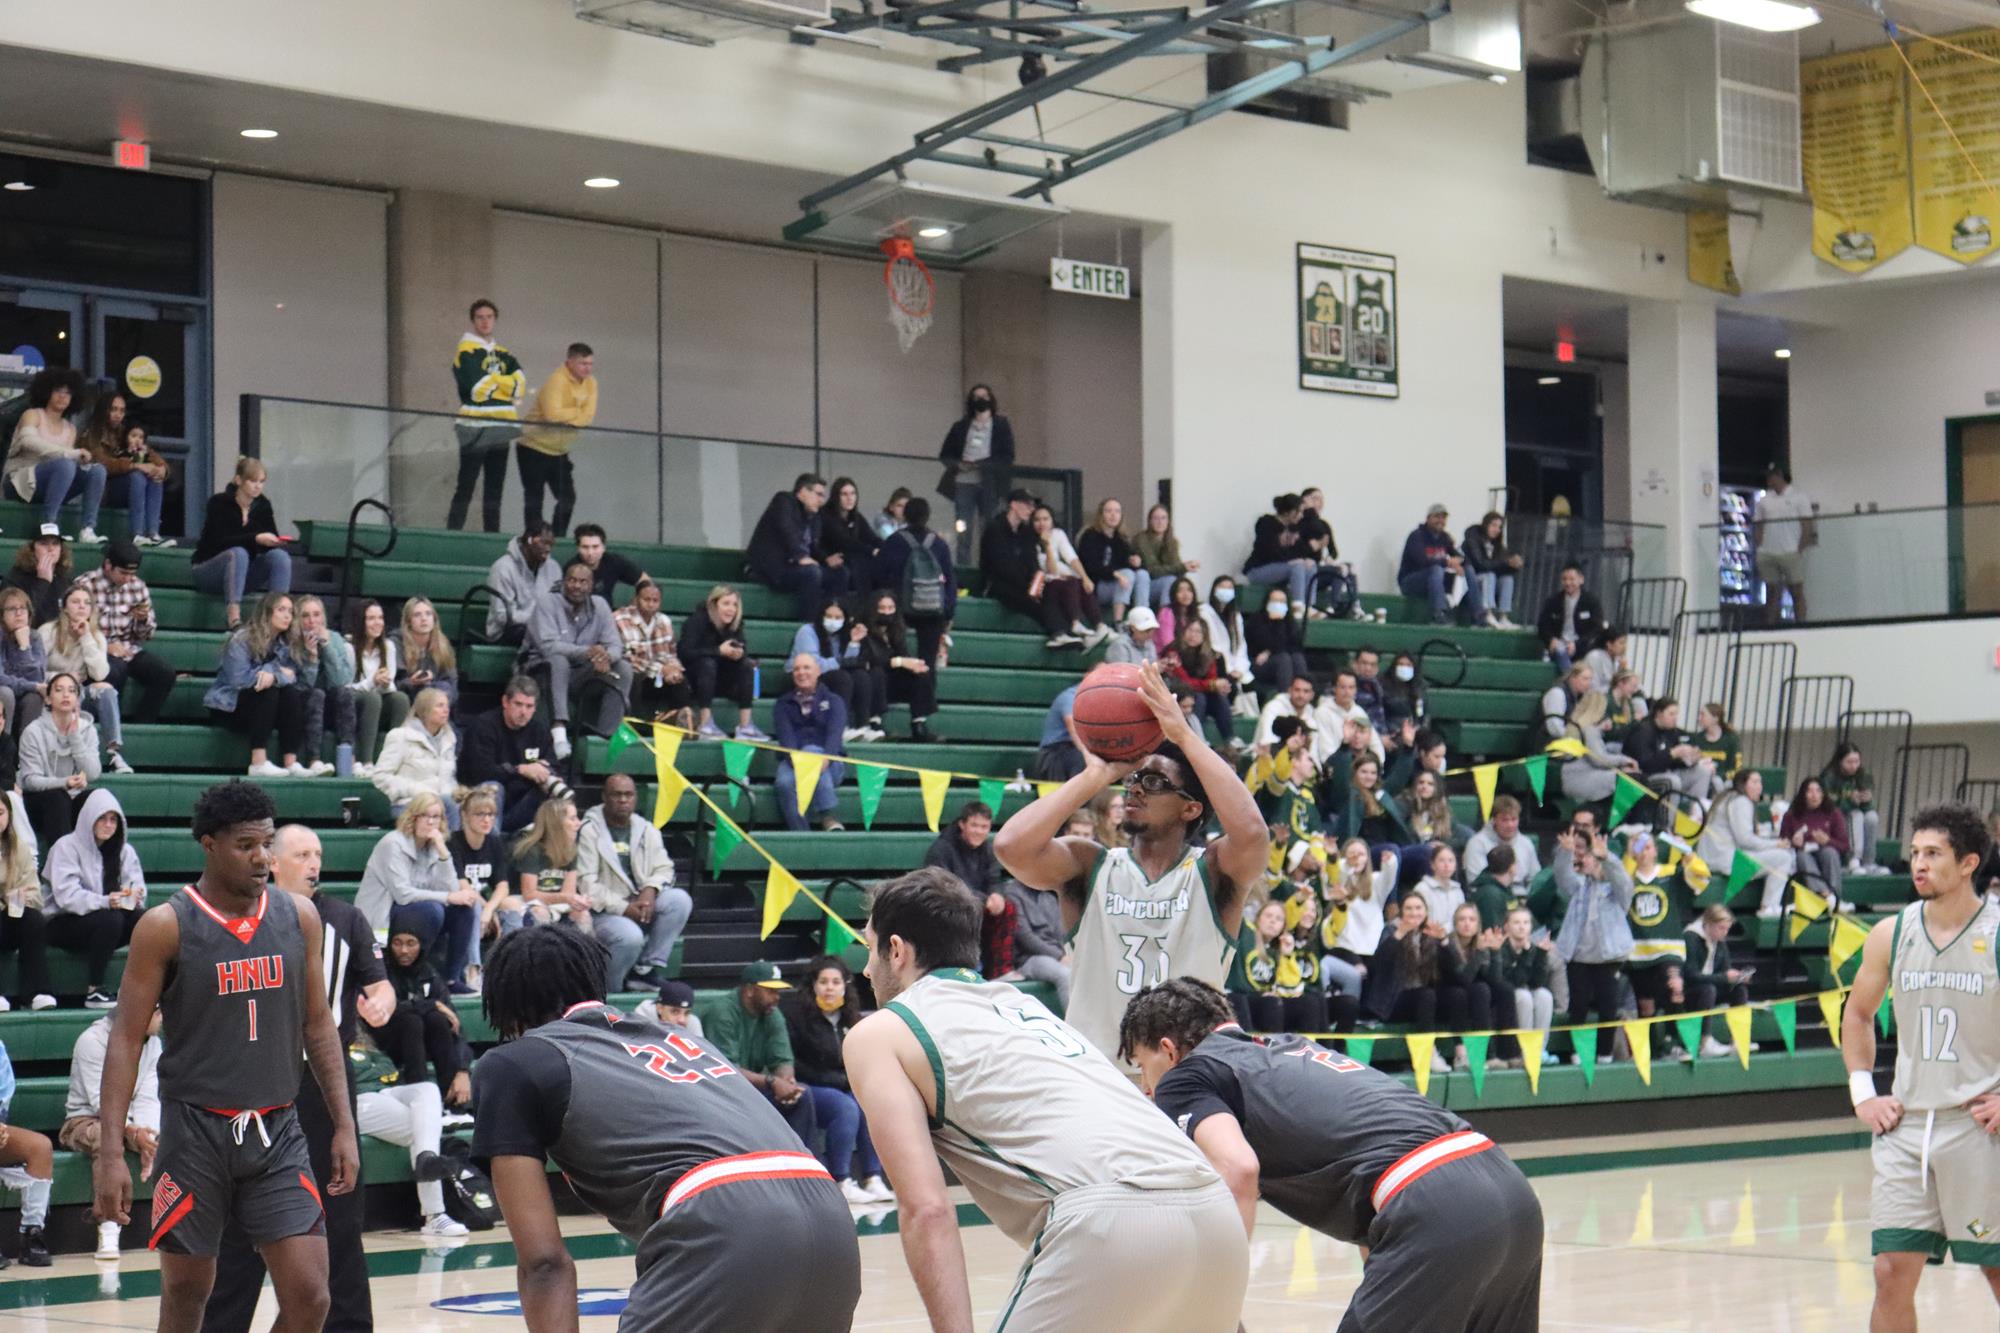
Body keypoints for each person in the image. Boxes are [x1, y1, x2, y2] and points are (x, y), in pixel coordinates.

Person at [846, 868, 1248, 1331]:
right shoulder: (1027, 1007)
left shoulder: (881, 1032)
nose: (865, 968)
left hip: (1112, 1218)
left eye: (868, 947)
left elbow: (928, 1209)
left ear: (896, 950)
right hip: (1213, 1210)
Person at [473, 928, 860, 1333]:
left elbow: (544, 1264)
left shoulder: (515, 1062)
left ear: (506, 1006)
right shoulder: (685, 1040)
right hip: (830, 1217)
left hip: (727, 1220)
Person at [1126, 976, 1542, 1325]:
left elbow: (1237, 1171)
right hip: (1507, 1186)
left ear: (1169, 1050)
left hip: (1431, 1202)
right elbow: (1374, 1159)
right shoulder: (1291, 1048)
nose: (1146, 1088)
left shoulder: (1185, 1077)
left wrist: (1216, 1304)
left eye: (1141, 1066)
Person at [94, 780, 356, 1329]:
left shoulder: (299, 917)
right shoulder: (165, 926)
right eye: (246, 845)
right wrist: (110, 1154)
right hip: (195, 1134)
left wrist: (343, 1124)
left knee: (312, 1296)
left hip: (277, 1130)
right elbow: (125, 1038)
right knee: (188, 1296)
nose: (262, 857)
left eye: (267, 843)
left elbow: (318, 1025)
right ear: (209, 844)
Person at [198, 822, 416, 1328]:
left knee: (340, 1218)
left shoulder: (346, 918)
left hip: (322, 1087)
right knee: (241, 1227)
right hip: (251, 1086)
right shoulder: (240, 919)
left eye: (318, 853)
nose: (314, 862)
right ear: (273, 861)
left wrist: (382, 1000)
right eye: (301, 854)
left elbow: (380, 985)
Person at [995, 661, 1267, 1066]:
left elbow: (1253, 834)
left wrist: (1185, 736)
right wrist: (1095, 776)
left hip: (1185, 1076)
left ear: (1191, 809)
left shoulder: (1212, 871)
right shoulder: (1090, 865)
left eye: (1154, 783)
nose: (1136, 789)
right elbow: (1010, 846)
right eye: (1134, 781)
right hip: (1099, 1074)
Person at [1842, 803, 2000, 1325]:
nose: (1919, 864)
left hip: (1978, 1127)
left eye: (1934, 853)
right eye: (1914, 853)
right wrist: (1863, 1092)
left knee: (1997, 1272)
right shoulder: (1892, 933)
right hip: (1908, 1127)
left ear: (1969, 863)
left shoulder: (1996, 932)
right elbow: (1858, 1014)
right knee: (1889, 1270)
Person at [780, 955, 892, 1206]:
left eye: (835, 982)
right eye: (823, 982)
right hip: (810, 1086)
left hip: (843, 1085)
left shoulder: (851, 1017)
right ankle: (841, 1180)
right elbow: (793, 1062)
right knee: (846, 1107)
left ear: (845, 985)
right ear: (813, 986)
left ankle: (873, 1177)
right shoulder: (795, 1015)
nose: (829, 987)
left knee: (870, 1102)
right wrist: (839, 1079)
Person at [576, 773, 693, 992]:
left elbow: (665, 868)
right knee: (630, 936)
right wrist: (624, 907)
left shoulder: (646, 829)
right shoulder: (589, 831)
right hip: (602, 913)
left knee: (679, 900)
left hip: (640, 905)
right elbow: (587, 884)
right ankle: (610, 990)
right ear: (604, 797)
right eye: (616, 795)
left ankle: (644, 970)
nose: (623, 800)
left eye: (628, 795)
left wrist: (650, 889)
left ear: (635, 798)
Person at [63, 1006, 162, 1258]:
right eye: (157, 1012)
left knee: (170, 1136)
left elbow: (149, 1097)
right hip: (83, 1120)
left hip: (128, 1122)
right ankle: (108, 1225)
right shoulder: (91, 1041)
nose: (162, 1018)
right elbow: (102, 1101)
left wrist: (147, 1136)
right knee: (106, 1138)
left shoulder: (154, 1045)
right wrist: (132, 1132)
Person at [356, 793, 479, 994]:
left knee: (463, 909)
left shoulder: (432, 846)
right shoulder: (393, 843)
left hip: (417, 911)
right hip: (383, 914)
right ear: (413, 817)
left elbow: (451, 889)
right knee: (434, 910)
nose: (430, 822)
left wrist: (442, 852)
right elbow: (402, 894)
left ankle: (450, 979)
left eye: (436, 817)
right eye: (425, 815)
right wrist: (448, 897)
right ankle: (416, 977)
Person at [700, 961, 819, 1146]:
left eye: (777, 991)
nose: (777, 997)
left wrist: (786, 1083)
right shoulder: (723, 1012)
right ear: (749, 990)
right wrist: (772, 1082)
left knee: (802, 1096)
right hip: (721, 1092)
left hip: (754, 1089)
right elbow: (726, 1070)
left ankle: (804, 1165)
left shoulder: (772, 1013)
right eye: (770, 991)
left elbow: (782, 1059)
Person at [524, 557, 631, 758]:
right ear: (564, 582)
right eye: (572, 580)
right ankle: (559, 732)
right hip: (541, 671)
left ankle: (605, 736)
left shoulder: (600, 605)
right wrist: (588, 652)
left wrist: (606, 657)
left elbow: (616, 645)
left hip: (582, 672)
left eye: (583, 582)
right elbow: (548, 646)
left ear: (591, 585)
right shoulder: (547, 602)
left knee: (623, 668)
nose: (577, 586)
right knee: (558, 660)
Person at [207, 589, 314, 778]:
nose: (287, 615)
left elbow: (295, 678)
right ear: (267, 611)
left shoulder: (284, 643)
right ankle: (258, 762)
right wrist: (274, 676)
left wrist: (273, 675)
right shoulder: (241, 639)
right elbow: (238, 681)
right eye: (281, 609)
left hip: (260, 708)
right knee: (268, 691)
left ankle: (291, 762)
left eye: (290, 611)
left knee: (290, 693)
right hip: (228, 706)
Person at [74, 538, 176, 725]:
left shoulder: (138, 587)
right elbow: (73, 628)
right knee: (115, 670)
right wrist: (105, 646)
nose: (128, 578)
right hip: (95, 650)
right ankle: (111, 726)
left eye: (132, 573)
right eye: (123, 573)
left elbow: (147, 635)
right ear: (108, 565)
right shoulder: (84, 586)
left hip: (129, 648)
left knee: (165, 673)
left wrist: (142, 620)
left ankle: (142, 725)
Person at [1553, 827, 1633, 1058]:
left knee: (1608, 1008)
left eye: (1590, 857)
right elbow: (1562, 876)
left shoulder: (1616, 892)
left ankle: (1605, 1054)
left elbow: (1623, 881)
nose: (1585, 860)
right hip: (1578, 957)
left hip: (1607, 957)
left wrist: (1607, 857)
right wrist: (1565, 853)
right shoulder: (1579, 886)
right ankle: (1577, 1052)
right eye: (1584, 856)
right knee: (1578, 1007)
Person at [447, 298, 526, 533]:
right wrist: (503, 385)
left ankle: (492, 535)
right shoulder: (466, 351)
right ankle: (453, 533)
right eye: (480, 317)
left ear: (495, 320)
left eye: (489, 317)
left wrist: (494, 384)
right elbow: (476, 388)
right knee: (467, 484)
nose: (485, 321)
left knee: (495, 487)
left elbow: (520, 386)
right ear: (473, 320)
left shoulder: (504, 353)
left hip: (501, 427)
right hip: (474, 425)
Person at [37, 582, 132, 775]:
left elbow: (100, 673)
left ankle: (113, 753)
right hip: (48, 693)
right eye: (76, 602)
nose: (82, 606)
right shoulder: (47, 632)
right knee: (67, 690)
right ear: (64, 607)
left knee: (105, 689)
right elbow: (35, 672)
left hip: (77, 695)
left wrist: (86, 637)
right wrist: (62, 678)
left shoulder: (96, 636)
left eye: (87, 603)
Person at [458, 675, 571, 833]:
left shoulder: (539, 731)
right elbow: (479, 773)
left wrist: (549, 774)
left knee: (555, 795)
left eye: (529, 706)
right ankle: (492, 846)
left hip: (522, 803)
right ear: (505, 702)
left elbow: (554, 765)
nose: (523, 712)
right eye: (518, 704)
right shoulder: (483, 726)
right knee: (494, 788)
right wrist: (521, 769)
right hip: (486, 800)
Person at [4, 368, 105, 542]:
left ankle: (88, 529)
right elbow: (29, 441)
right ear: (46, 391)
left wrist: (79, 459)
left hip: (48, 485)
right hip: (19, 483)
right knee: (64, 463)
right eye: (58, 391)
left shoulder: (70, 428)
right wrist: (71, 454)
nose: (63, 396)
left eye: (68, 393)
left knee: (97, 471)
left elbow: (66, 461)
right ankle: (49, 525)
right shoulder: (32, 415)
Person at [381, 924, 474, 1111]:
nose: (404, 950)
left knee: (438, 1020)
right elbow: (386, 1010)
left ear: (421, 945)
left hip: (423, 1044)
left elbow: (455, 1025)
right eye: (397, 943)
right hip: (386, 1043)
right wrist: (432, 1004)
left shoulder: (428, 973)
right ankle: (422, 1103)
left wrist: (463, 1070)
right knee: (411, 1020)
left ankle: (452, 1105)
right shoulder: (380, 970)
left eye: (411, 943)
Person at [191, 457, 290, 630]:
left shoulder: (263, 505)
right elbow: (217, 542)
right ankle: (233, 616)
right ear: (239, 480)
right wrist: (255, 538)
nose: (258, 486)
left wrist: (273, 541)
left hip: (241, 574)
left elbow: (268, 537)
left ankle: (276, 615)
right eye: (252, 481)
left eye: (261, 482)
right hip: (208, 569)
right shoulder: (219, 503)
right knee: (238, 553)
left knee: (280, 557)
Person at [517, 341, 596, 536]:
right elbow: (552, 415)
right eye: (582, 364)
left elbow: (588, 417)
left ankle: (556, 538)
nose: (587, 368)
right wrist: (577, 412)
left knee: (568, 498)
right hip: (533, 447)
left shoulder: (591, 383)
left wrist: (569, 415)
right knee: (535, 498)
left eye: (590, 364)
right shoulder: (557, 380)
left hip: (560, 451)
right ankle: (534, 539)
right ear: (569, 363)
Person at [748, 472, 847, 622]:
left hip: (794, 568)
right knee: (812, 573)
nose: (821, 501)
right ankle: (808, 625)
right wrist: (801, 556)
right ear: (801, 492)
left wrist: (826, 559)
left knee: (840, 574)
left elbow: (812, 546)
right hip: (771, 568)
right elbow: (785, 528)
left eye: (823, 496)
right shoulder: (784, 500)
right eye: (818, 494)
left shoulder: (814, 517)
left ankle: (830, 620)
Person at [1699, 769, 1796, 920]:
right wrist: (1776, 844)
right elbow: (1745, 840)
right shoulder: (1741, 801)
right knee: (1783, 857)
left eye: (1760, 782)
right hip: (1727, 861)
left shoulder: (1726, 797)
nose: (1759, 787)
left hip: (1713, 858)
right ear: (1743, 784)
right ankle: (1768, 907)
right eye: (1755, 782)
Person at [981, 488, 1072, 646]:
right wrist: (1028, 584)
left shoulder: (1026, 532)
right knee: (1032, 601)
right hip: (999, 585)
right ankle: (1059, 632)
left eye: (1032, 506)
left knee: (1050, 592)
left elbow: (1032, 562)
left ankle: (1063, 631)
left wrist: (1036, 581)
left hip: (1021, 584)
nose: (1031, 509)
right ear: (1014, 505)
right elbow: (1000, 566)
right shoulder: (995, 529)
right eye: (1027, 505)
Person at [20, 672, 101, 847]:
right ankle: (62, 867)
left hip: (72, 801)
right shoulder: (33, 732)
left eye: (72, 691)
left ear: (77, 700)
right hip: (39, 802)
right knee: (57, 798)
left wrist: (75, 737)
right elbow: (29, 780)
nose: (66, 695)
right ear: (48, 699)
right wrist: (65, 782)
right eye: (59, 690)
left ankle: (101, 868)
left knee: (100, 798)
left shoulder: (87, 730)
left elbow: (93, 773)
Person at [938, 383, 1015, 564]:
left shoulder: (1001, 425)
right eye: (976, 397)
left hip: (990, 483)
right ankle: (964, 571)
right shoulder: (960, 426)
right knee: (963, 529)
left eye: (984, 396)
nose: (980, 400)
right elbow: (945, 454)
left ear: (991, 400)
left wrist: (981, 465)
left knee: (989, 529)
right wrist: (959, 465)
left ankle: (987, 569)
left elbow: (1007, 456)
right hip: (963, 482)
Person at [774, 653, 847, 832]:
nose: (801, 672)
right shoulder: (782, 705)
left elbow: (834, 735)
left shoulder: (834, 701)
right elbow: (786, 738)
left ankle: (826, 814)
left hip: (830, 764)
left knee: (814, 750)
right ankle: (802, 833)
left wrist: (826, 758)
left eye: (807, 667)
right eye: (797, 669)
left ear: (818, 672)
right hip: (794, 762)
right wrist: (800, 762)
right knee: (783, 783)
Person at [681, 585, 763, 741]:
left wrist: (739, 653)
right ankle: (705, 724)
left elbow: (743, 646)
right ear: (713, 604)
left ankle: (745, 726)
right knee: (707, 663)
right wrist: (718, 651)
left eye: (735, 605)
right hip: (696, 679)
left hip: (723, 680)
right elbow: (685, 653)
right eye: (726, 603)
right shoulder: (695, 622)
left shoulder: (736, 626)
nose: (731, 609)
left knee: (746, 665)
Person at [372, 685, 461, 827]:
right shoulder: (401, 736)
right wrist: (416, 790)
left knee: (475, 808)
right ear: (425, 710)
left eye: (447, 706)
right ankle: (453, 848)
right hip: (409, 804)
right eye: (440, 706)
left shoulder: (450, 739)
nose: (446, 710)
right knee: (448, 807)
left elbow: (448, 778)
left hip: (442, 805)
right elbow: (380, 776)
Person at [288, 595, 352, 777]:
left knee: (344, 694)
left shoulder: (335, 638)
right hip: (302, 703)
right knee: (316, 694)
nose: (312, 621)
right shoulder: (292, 641)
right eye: (305, 616)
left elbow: (340, 680)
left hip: (330, 703)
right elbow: (303, 686)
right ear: (298, 620)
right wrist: (312, 658)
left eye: (316, 615)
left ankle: (349, 759)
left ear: (323, 617)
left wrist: (327, 646)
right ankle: (314, 760)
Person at [1398, 502, 1490, 627]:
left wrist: (1460, 564)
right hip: (1410, 582)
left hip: (1434, 582)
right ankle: (1438, 614)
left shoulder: (1444, 538)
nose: (1440, 520)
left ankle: (1478, 615)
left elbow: (1461, 558)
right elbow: (1422, 561)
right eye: (1437, 517)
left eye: (1443, 517)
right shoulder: (1416, 536)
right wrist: (1447, 562)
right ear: (1428, 518)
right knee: (1436, 569)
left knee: (1467, 569)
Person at [616, 578, 692, 727]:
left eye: (655, 600)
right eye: (646, 599)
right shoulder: (620, 619)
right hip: (633, 678)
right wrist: (661, 669)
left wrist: (673, 670)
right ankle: (639, 727)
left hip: (656, 678)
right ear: (636, 599)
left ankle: (682, 721)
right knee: (633, 678)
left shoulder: (664, 621)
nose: (651, 604)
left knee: (680, 681)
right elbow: (626, 658)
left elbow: (671, 654)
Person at [0, 793, 51, 1013]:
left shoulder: (19, 848)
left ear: (9, 815)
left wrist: (18, 898)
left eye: (0, 813)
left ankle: (35, 993)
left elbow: (36, 895)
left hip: (11, 915)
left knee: (34, 919)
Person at [865, 590, 937, 743]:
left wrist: (914, 665)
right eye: (882, 608)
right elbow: (870, 660)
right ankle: (874, 722)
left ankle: (919, 723)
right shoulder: (864, 630)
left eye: (890, 608)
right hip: (872, 681)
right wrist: (899, 662)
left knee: (920, 673)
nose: (886, 612)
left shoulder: (896, 631)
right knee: (876, 673)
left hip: (893, 682)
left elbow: (903, 656)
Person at [1032, 502, 1107, 649]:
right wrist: (1047, 545)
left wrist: (1085, 578)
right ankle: (1076, 622)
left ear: (1052, 520)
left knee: (1082, 583)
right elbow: (1052, 570)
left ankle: (1100, 625)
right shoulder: (1031, 542)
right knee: (1071, 581)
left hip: (1065, 580)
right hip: (1047, 584)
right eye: (1037, 520)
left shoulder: (1058, 534)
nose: (1042, 523)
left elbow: (1071, 558)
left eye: (1045, 519)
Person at [1681, 904, 1750, 1059]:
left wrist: (1737, 978)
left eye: (1727, 929)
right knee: (1708, 989)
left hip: (1710, 987)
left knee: (1739, 990)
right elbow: (1690, 975)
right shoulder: (1691, 938)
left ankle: (1738, 1039)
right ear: (1709, 924)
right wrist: (1725, 977)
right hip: (1690, 992)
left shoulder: (1720, 941)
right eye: (1721, 928)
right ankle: (1704, 1042)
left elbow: (1725, 969)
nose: (1725, 933)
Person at [92, 413, 170, 547]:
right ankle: (137, 533)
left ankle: (153, 532)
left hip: (138, 492)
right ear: (126, 436)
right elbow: (110, 465)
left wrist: (161, 469)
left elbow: (161, 463)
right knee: (138, 476)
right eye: (133, 436)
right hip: (115, 491)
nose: (137, 440)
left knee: (155, 479)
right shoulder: (118, 449)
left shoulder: (146, 452)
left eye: (141, 437)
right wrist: (134, 462)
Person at [347, 599, 408, 767]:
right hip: (354, 702)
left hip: (377, 701)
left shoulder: (388, 647)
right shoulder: (349, 648)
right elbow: (345, 688)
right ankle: (366, 761)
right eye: (371, 618)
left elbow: (391, 687)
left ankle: (394, 761)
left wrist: (385, 682)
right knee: (372, 698)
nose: (378, 623)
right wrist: (372, 682)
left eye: (380, 618)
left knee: (400, 699)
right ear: (361, 621)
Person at [511, 796, 588, 927]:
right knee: (540, 913)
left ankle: (581, 948)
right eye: (573, 818)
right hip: (526, 905)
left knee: (582, 914)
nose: (578, 823)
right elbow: (529, 895)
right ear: (556, 823)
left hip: (556, 905)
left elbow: (568, 893)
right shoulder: (532, 850)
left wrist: (579, 901)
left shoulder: (571, 849)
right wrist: (565, 898)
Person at [1753, 464, 1815, 623]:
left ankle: (1801, 624)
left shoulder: (1799, 497)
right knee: (1772, 593)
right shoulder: (1764, 500)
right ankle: (1771, 625)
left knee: (1796, 591)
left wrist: (1799, 548)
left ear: (1779, 476)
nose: (1769, 481)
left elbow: (1807, 524)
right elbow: (1758, 525)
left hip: (1790, 551)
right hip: (1768, 552)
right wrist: (1760, 546)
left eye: (1771, 477)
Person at [483, 521, 559, 646]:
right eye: (544, 543)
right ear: (529, 540)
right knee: (534, 633)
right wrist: (538, 619)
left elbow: (558, 603)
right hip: (507, 631)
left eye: (551, 544)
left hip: (546, 627)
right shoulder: (502, 568)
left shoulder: (553, 568)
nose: (548, 549)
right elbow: (503, 616)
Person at [1076, 499, 1150, 625]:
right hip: (1097, 585)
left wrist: (1136, 562)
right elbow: (1092, 566)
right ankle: (1118, 621)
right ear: (1101, 514)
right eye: (1108, 511)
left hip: (1120, 584)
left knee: (1142, 574)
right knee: (1128, 574)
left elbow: (1126, 562)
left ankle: (1142, 619)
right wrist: (1115, 574)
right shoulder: (1090, 536)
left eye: (1117, 511)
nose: (1113, 515)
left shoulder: (1120, 538)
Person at [1497, 906, 1555, 1065]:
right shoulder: (1502, 948)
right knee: (1523, 997)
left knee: (1544, 995)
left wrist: (1542, 955)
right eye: (1516, 922)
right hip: (1507, 996)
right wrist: (1527, 955)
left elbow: (1538, 982)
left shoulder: (1535, 948)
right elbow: (1516, 980)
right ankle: (1524, 1049)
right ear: (1507, 926)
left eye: (1526, 922)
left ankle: (1540, 1049)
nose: (1522, 926)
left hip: (1528, 991)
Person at [1626, 697, 1716, 799]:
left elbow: (1674, 763)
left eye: (1676, 714)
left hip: (1666, 771)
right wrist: (1672, 753)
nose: (1675, 718)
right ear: (1659, 714)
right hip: (1643, 776)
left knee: (1702, 771)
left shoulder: (1672, 732)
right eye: (1671, 714)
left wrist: (1689, 760)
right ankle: (1668, 814)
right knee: (1672, 780)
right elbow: (1645, 764)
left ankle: (1695, 811)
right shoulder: (1643, 730)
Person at [1780, 775, 1849, 909]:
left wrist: (1828, 840)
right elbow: (1783, 841)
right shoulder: (1791, 815)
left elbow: (1844, 846)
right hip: (1803, 853)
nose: (1814, 795)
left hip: (1825, 851)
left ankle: (1835, 894)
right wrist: (1794, 842)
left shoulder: (1833, 813)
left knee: (1830, 852)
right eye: (1810, 791)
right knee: (1802, 856)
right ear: (1803, 794)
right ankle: (1826, 895)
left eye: (1818, 791)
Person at [1165, 618, 1236, 747]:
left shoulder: (1210, 654)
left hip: (1202, 694)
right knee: (1199, 697)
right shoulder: (1173, 651)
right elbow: (1184, 681)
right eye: (1190, 630)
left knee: (1219, 698)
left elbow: (1212, 678)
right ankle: (1195, 739)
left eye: (1198, 632)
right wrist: (1211, 685)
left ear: (1205, 636)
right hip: (1179, 693)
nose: (1193, 635)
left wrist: (1217, 686)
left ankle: (1230, 739)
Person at [1242, 492, 1316, 613]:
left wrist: (1304, 559)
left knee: (1310, 567)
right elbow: (1270, 551)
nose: (1302, 516)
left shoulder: (1294, 528)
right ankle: (1298, 606)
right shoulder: (1266, 524)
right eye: (1300, 512)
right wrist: (1292, 561)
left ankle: (1310, 605)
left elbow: (1299, 551)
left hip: (1281, 568)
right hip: (1258, 569)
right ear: (1291, 512)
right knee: (1297, 567)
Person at [1296, 486, 1362, 620]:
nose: (1319, 503)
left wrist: (1329, 558)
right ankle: (1333, 605)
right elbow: (1302, 549)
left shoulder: (1323, 524)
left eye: (1321, 499)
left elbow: (1333, 551)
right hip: (1308, 570)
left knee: (1350, 567)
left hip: (1322, 566)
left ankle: (1355, 605)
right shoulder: (1300, 524)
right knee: (1339, 570)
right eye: (1314, 499)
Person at [1824, 741, 1885, 873]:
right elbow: (1829, 803)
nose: (1854, 766)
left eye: (1856, 761)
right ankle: (1853, 858)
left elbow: (1868, 805)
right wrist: (1848, 800)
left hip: (1857, 810)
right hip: (1837, 815)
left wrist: (1866, 800)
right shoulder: (1829, 776)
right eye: (1849, 762)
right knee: (1855, 815)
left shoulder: (1862, 775)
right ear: (1840, 761)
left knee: (1872, 817)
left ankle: (1869, 861)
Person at [923, 800, 1005, 897]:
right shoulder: (942, 849)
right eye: (974, 825)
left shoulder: (989, 850)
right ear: (962, 824)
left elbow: (994, 880)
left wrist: (996, 895)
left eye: (984, 827)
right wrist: (985, 900)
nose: (978, 831)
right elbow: (944, 886)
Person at [1535, 562, 1602, 674]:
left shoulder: (1591, 602)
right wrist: (1551, 639)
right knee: (1561, 650)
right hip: (1560, 644)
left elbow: (1596, 629)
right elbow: (1542, 625)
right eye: (1564, 579)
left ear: (1581, 580)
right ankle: (1571, 678)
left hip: (1582, 646)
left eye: (1572, 579)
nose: (1568, 583)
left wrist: (1577, 644)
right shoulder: (1553, 601)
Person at [1244, 583, 1309, 698]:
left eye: (1281, 601)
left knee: (1297, 658)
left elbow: (1296, 646)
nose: (1278, 604)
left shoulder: (1289, 621)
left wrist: (1269, 652)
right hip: (1258, 665)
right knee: (1283, 658)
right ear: (1267, 602)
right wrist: (1277, 623)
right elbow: (1264, 644)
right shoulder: (1257, 621)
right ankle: (1284, 700)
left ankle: (1303, 696)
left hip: (1280, 662)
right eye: (1274, 601)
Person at [0, 585, 47, 740]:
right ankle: (4, 748)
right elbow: (1, 678)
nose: (19, 613)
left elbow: (38, 677)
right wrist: (31, 686)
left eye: (23, 608)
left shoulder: (33, 637)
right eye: (12, 609)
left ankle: (26, 755)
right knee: (6, 693)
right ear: (2, 615)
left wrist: (24, 646)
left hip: (24, 693)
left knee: (34, 698)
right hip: (4, 693)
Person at [1463, 510, 1523, 629]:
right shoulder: (1472, 540)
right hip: (1474, 579)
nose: (1497, 530)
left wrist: (1513, 566)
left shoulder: (1498, 545)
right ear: (1485, 525)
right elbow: (1480, 565)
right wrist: (1505, 562)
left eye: (1499, 527)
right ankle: (1488, 614)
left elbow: (1500, 567)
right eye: (1493, 525)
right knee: (1489, 575)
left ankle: (1503, 617)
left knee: (1507, 579)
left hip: (1491, 580)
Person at [394, 595, 459, 707]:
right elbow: (392, 684)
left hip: (438, 700)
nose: (424, 619)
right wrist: (411, 682)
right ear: (408, 621)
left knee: (442, 687)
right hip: (408, 701)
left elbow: (452, 681)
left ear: (434, 619)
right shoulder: (396, 643)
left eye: (428, 614)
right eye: (417, 615)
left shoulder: (442, 643)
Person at [817, 477, 877, 595]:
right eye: (844, 494)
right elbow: (844, 542)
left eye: (853, 493)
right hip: (829, 560)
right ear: (836, 496)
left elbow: (871, 537)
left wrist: (885, 548)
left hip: (850, 559)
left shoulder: (855, 516)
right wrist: (871, 550)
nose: (850, 498)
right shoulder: (825, 515)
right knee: (859, 562)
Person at [7, 523, 74, 627]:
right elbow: (18, 616)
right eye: (44, 543)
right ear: (32, 549)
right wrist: (42, 582)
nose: (51, 549)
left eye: (55, 543)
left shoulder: (64, 578)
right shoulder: (16, 577)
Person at [1464, 794, 1541, 881]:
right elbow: (1475, 881)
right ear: (1494, 820)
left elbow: (1535, 879)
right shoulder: (1477, 843)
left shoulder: (1526, 843)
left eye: (1514, 819)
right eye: (1505, 820)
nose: (1510, 825)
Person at [1135, 504, 1199, 610]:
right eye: (1156, 518)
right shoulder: (1141, 540)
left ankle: (1167, 616)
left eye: (1163, 518)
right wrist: (1181, 567)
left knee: (1174, 581)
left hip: (1163, 585)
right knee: (1168, 580)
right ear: (1150, 521)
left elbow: (1176, 570)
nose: (1160, 522)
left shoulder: (1172, 542)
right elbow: (1152, 571)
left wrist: (1187, 567)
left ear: (1168, 521)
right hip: (1144, 586)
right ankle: (1151, 615)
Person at [1035, 682, 1082, 783]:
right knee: (1082, 758)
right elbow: (1074, 729)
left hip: (1073, 752)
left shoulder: (1103, 701)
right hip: (1054, 754)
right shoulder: (1070, 696)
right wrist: (1091, 759)